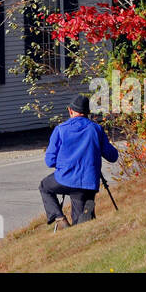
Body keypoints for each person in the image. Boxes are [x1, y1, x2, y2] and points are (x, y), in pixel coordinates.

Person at [40, 92, 119, 229]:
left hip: (65, 179)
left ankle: (59, 218)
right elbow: (112, 156)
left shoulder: (61, 130)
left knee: (45, 186)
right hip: (88, 182)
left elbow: (50, 161)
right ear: (88, 113)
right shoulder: (96, 129)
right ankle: (83, 227)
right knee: (81, 219)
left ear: (70, 110)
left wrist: (65, 163)